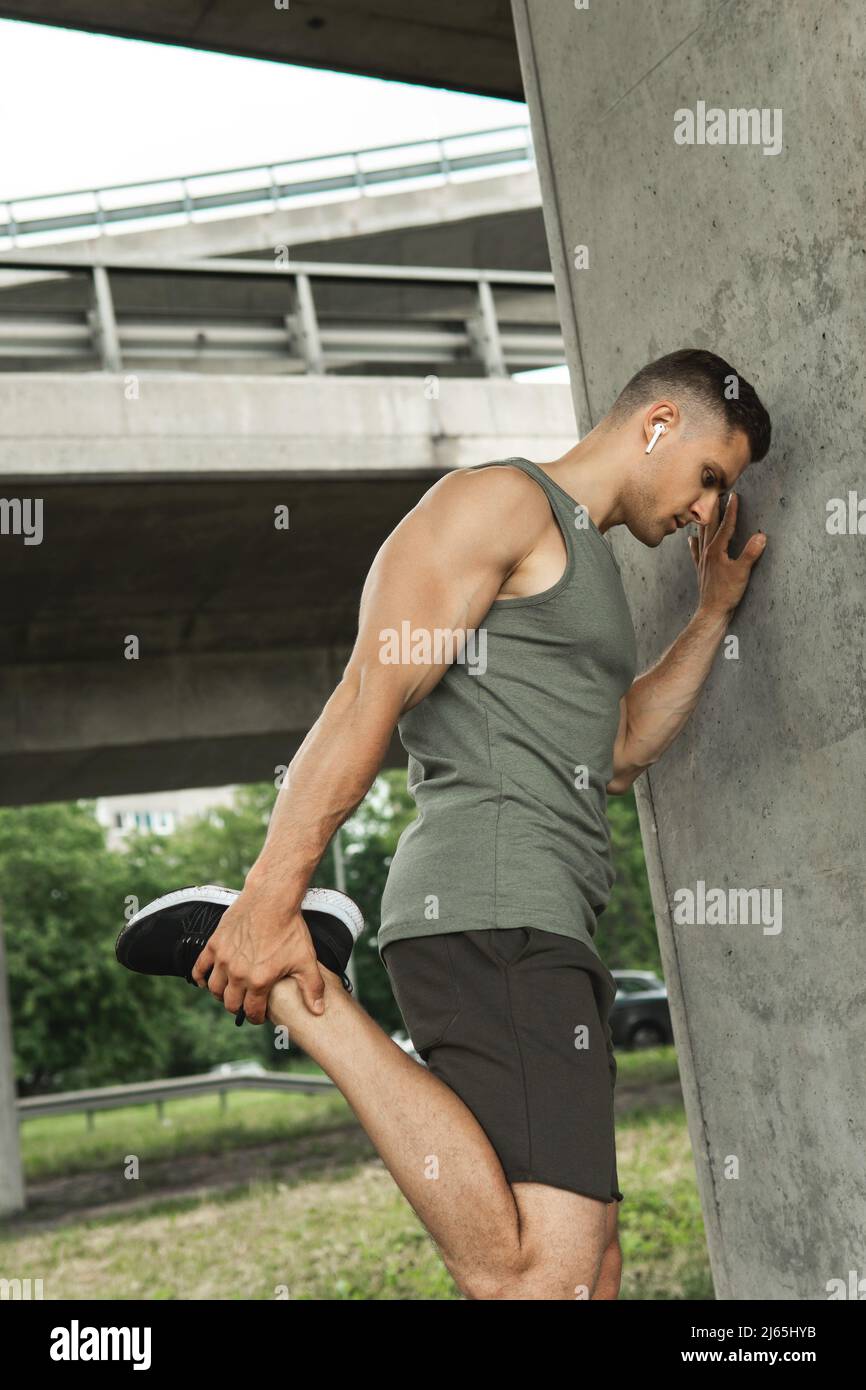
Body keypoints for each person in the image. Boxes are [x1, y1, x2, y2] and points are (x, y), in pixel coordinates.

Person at [119, 347, 770, 1300]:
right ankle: (307, 988)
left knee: (594, 1272)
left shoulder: (586, 564)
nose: (709, 509)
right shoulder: (501, 504)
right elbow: (367, 698)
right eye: (712, 477)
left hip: (544, 921)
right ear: (658, 424)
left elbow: (620, 747)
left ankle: (308, 974)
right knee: (536, 1282)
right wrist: (269, 898)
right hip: (490, 909)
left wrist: (711, 614)